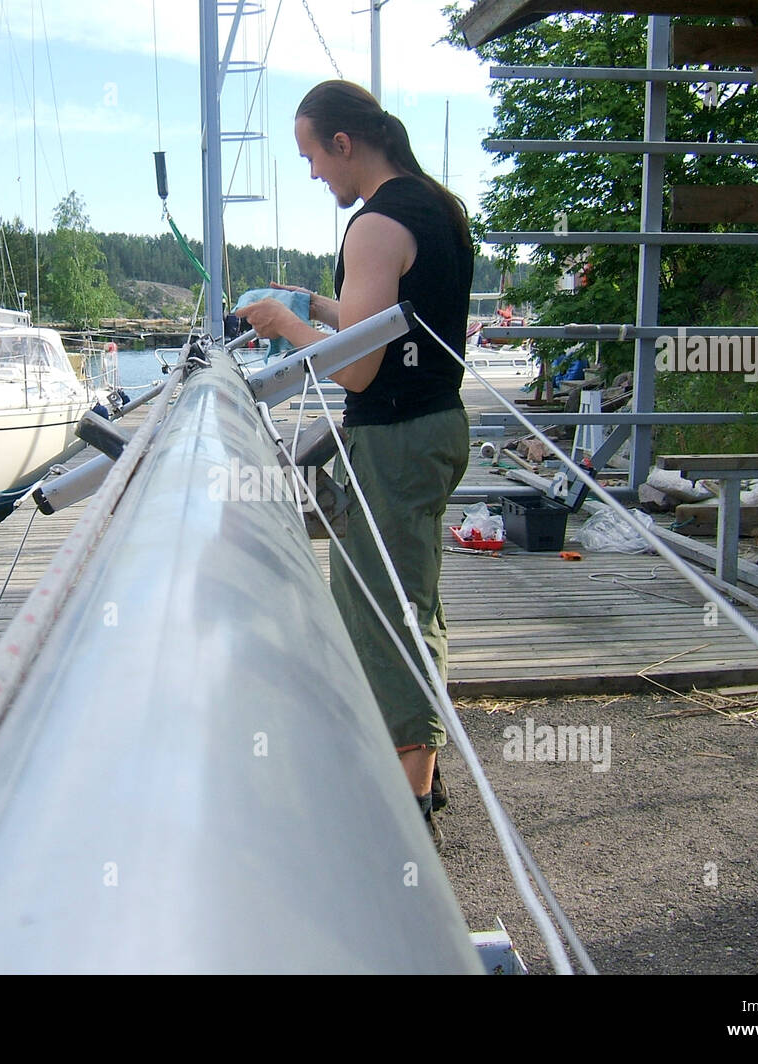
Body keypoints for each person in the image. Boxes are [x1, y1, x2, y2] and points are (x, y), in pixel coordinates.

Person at [235, 80, 473, 846]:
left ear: (345, 144)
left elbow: (360, 371)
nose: (313, 176)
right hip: (436, 427)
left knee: (383, 617)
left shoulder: (372, 226)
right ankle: (422, 773)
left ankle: (408, 813)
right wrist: (320, 307)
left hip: (395, 440)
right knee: (413, 601)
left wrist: (280, 324)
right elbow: (399, 325)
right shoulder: (435, 206)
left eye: (312, 156)